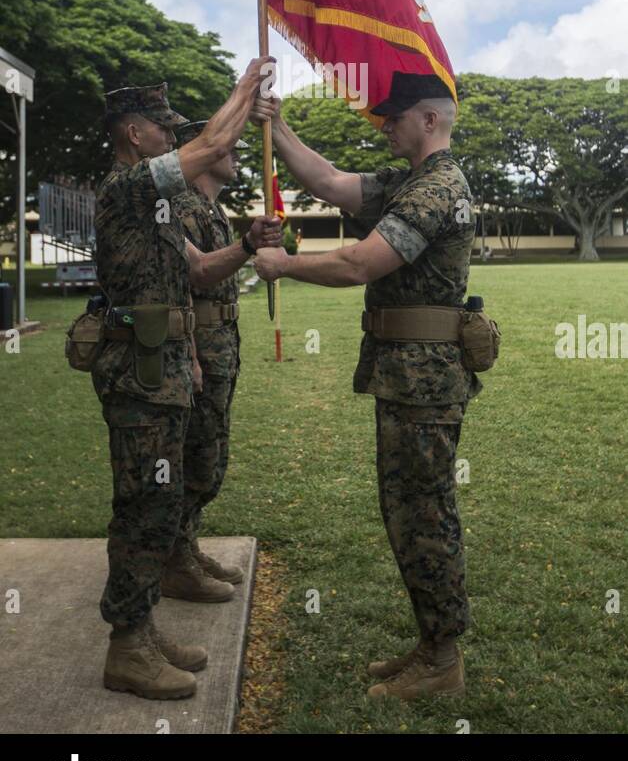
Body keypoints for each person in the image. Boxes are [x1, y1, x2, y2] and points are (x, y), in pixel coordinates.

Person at [253, 72, 480, 701]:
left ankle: (442, 661)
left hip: (423, 381)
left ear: (428, 121)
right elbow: (327, 182)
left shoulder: (438, 188)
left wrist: (285, 265)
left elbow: (361, 263)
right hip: (406, 376)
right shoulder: (410, 182)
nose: (384, 125)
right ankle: (432, 644)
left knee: (425, 515)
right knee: (407, 510)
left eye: (395, 117)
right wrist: (276, 122)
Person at [93, 61, 269, 700]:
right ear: (134, 135)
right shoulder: (127, 187)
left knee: (161, 503)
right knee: (142, 506)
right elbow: (216, 144)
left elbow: (197, 273)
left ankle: (141, 631)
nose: (174, 140)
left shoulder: (158, 205)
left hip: (164, 368)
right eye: (164, 131)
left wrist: (247, 246)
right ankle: (127, 647)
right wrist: (248, 88)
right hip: (138, 373)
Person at [161, 126, 282, 599]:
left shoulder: (210, 208)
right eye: (226, 148)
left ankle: (186, 546)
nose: (234, 155)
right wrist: (191, 354)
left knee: (211, 454)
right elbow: (186, 284)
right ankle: (175, 560)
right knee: (196, 457)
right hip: (200, 347)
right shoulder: (183, 207)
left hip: (221, 344)